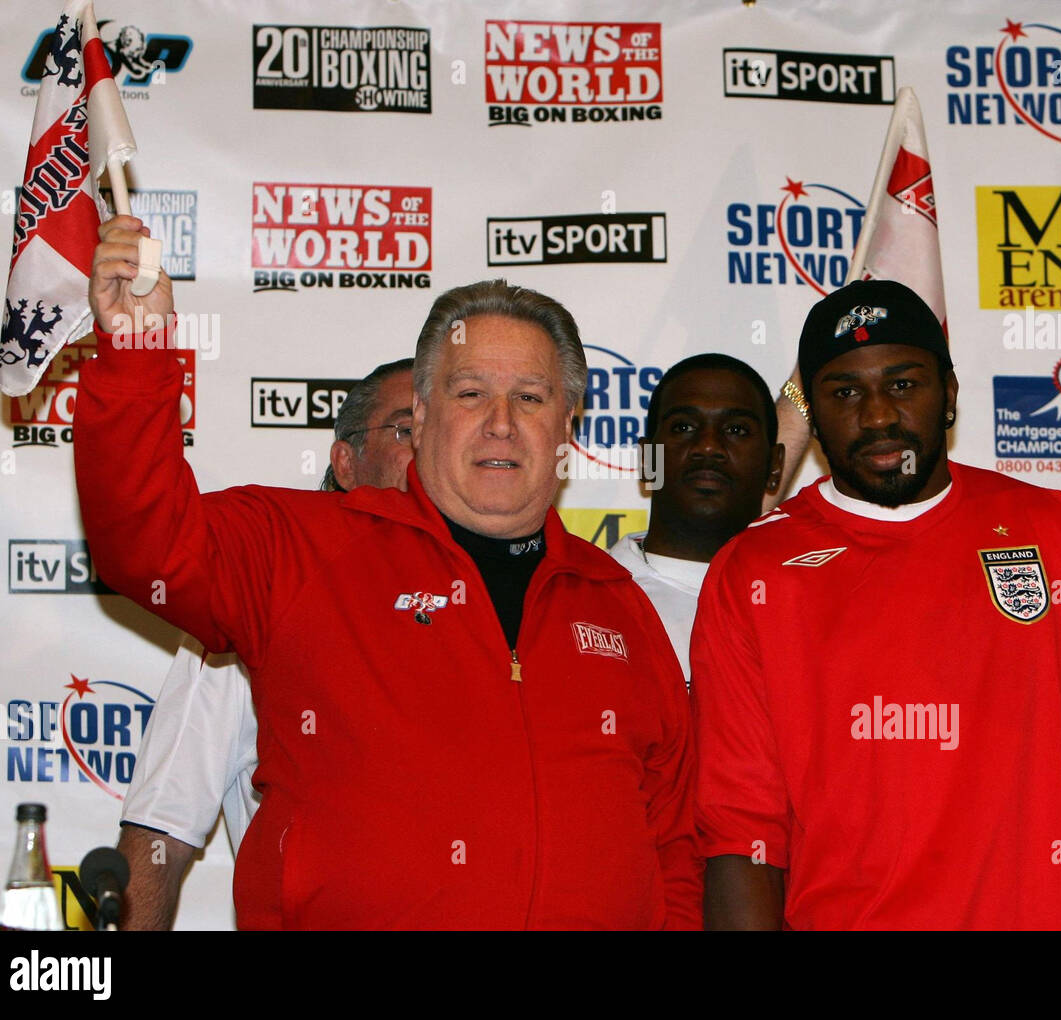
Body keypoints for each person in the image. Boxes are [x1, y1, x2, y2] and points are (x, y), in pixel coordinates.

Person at [76, 216, 699, 929]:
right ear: (425, 415)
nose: (501, 422)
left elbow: (673, 848)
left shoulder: (618, 603)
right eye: (470, 394)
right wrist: (136, 354)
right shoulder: (302, 549)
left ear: (569, 425)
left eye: (530, 397)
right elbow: (145, 544)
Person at [693, 279, 1061, 930]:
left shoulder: (1055, 532)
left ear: (949, 393)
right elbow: (741, 829)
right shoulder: (752, 573)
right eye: (845, 393)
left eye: (903, 384)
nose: (877, 416)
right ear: (811, 413)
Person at [117, 359, 415, 930]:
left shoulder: (498, 601)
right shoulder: (264, 593)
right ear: (346, 462)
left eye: (440, 429)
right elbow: (161, 832)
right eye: (406, 430)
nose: (429, 452)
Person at [608, 354, 784, 689]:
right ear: (648, 461)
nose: (707, 446)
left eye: (736, 430)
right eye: (683, 427)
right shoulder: (587, 599)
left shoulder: (807, 603)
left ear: (775, 466)